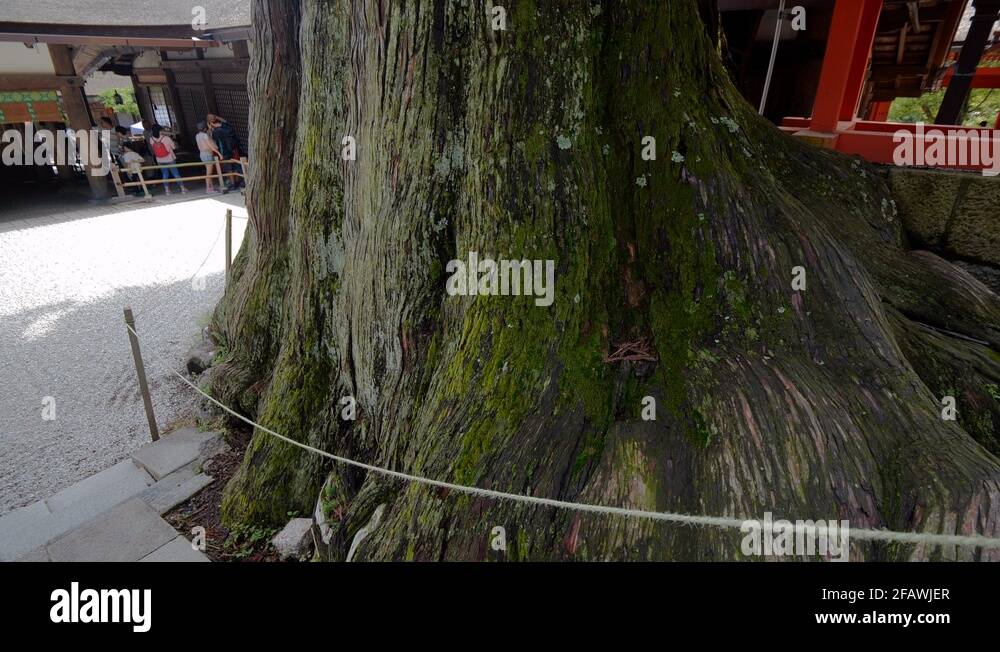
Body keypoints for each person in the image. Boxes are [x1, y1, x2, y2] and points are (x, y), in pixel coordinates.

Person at [207, 114, 243, 190]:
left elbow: (213, 142)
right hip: (234, 149)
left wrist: (210, 129)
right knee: (236, 165)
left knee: (229, 168)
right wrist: (217, 117)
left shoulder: (215, 131)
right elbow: (226, 121)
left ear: (210, 122)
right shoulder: (225, 126)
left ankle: (233, 184)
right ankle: (239, 182)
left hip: (225, 152)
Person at [149, 125, 187, 195]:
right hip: (169, 158)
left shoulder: (151, 139)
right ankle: (182, 189)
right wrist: (174, 139)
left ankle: (167, 191)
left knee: (165, 174)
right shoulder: (166, 138)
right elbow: (174, 147)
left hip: (159, 159)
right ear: (160, 130)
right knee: (175, 174)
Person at [195, 121, 225, 193]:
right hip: (207, 154)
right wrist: (219, 154)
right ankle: (208, 188)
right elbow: (210, 146)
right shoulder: (205, 135)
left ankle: (211, 188)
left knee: (208, 171)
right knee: (209, 173)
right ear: (205, 128)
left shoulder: (197, 135)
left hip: (202, 154)